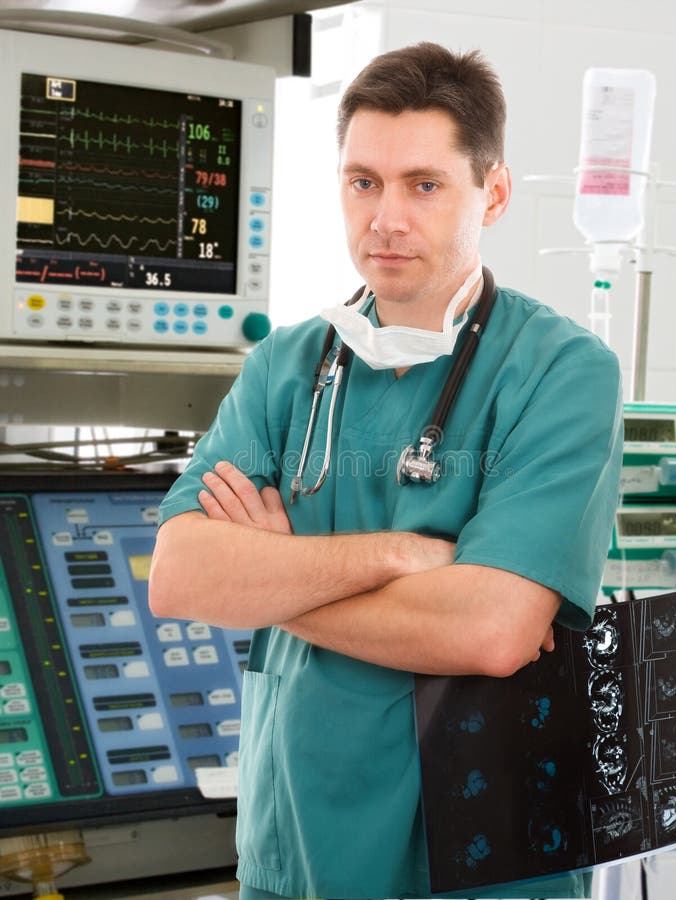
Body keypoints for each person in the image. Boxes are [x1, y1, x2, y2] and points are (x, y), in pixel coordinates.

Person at [149, 42, 623, 900]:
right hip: (294, 853)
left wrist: (272, 579)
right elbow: (182, 578)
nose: (387, 217)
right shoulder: (284, 367)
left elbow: (492, 629)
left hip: (482, 872)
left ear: (496, 192)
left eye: (425, 185)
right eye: (363, 181)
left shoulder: (560, 371)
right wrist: (402, 556)